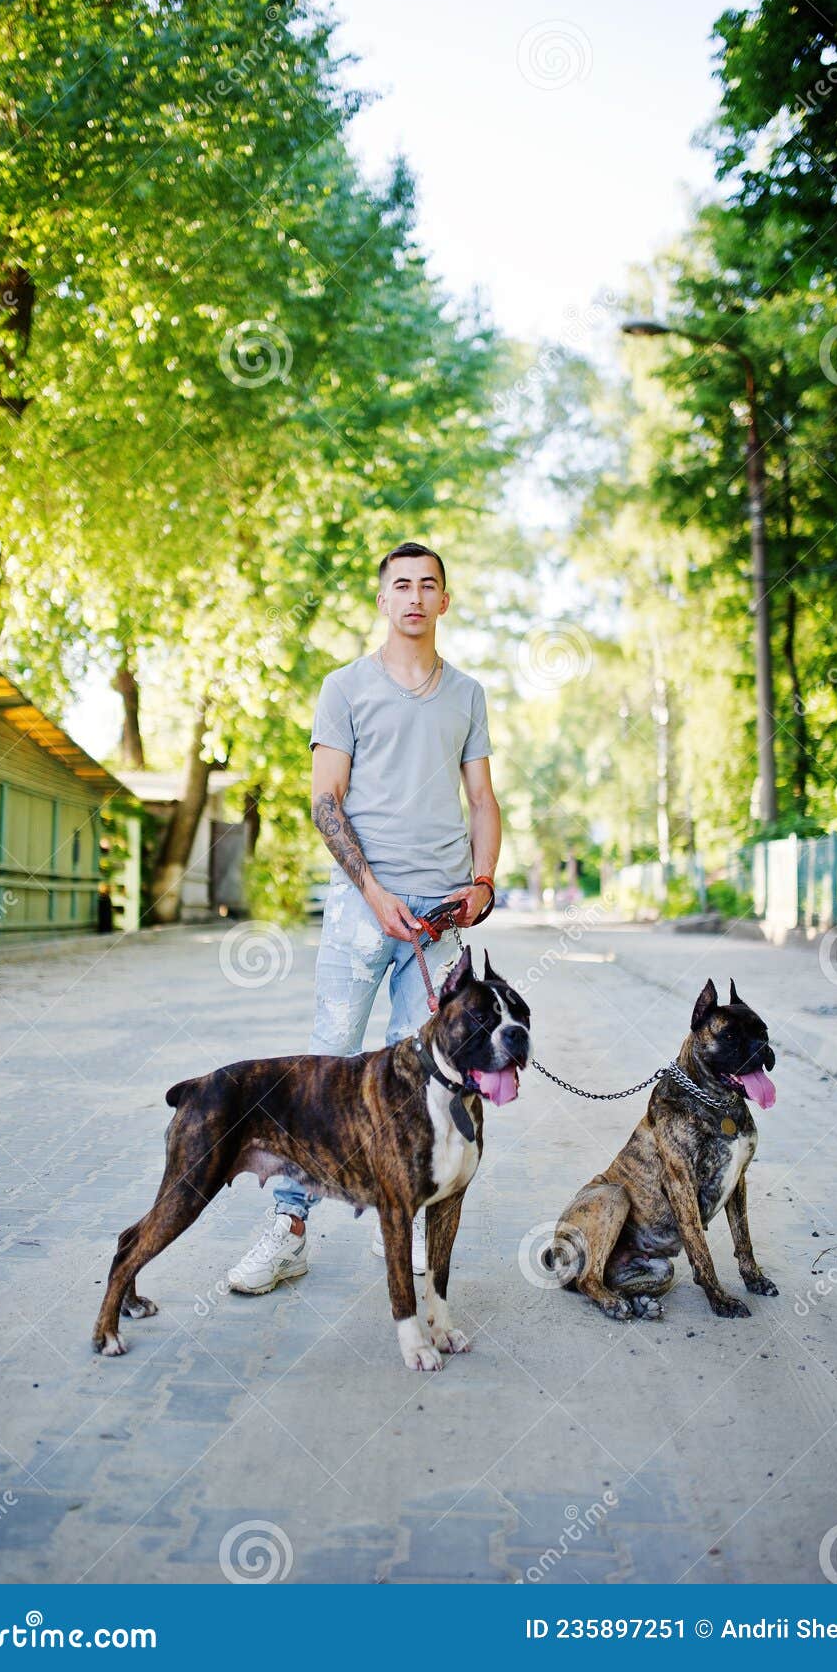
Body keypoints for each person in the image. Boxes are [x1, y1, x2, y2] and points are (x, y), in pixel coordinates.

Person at [226, 540, 502, 1293]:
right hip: (360, 908)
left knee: (431, 1078)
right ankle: (287, 1228)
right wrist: (374, 893)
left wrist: (480, 883)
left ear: (444, 600)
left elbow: (481, 800)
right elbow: (325, 802)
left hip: (439, 914)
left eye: (428, 586)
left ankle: (409, 1234)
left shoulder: (466, 694)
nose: (414, 597)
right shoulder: (343, 687)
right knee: (325, 1070)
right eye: (400, 585)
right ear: (382, 600)